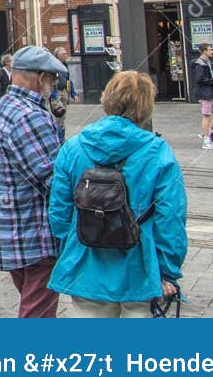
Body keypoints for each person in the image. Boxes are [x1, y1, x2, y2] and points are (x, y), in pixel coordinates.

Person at [47, 70, 187, 317]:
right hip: (140, 268)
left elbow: (58, 213)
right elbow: (171, 218)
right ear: (146, 106)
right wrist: (167, 270)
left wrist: (70, 247)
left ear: (107, 99)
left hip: (85, 265)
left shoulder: (73, 147)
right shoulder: (158, 152)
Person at [0, 45, 66, 318]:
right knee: (37, 314)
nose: (52, 85)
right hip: (34, 235)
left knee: (35, 304)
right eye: (52, 78)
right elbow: (53, 179)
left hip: (8, 231)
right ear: (40, 77)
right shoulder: (30, 116)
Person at [190, 45, 213, 150]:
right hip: (205, 93)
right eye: (210, 49)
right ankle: (206, 141)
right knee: (207, 116)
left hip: (212, 92)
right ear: (204, 51)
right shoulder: (199, 64)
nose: (212, 51)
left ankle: (208, 131)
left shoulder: (208, 62)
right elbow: (200, 79)